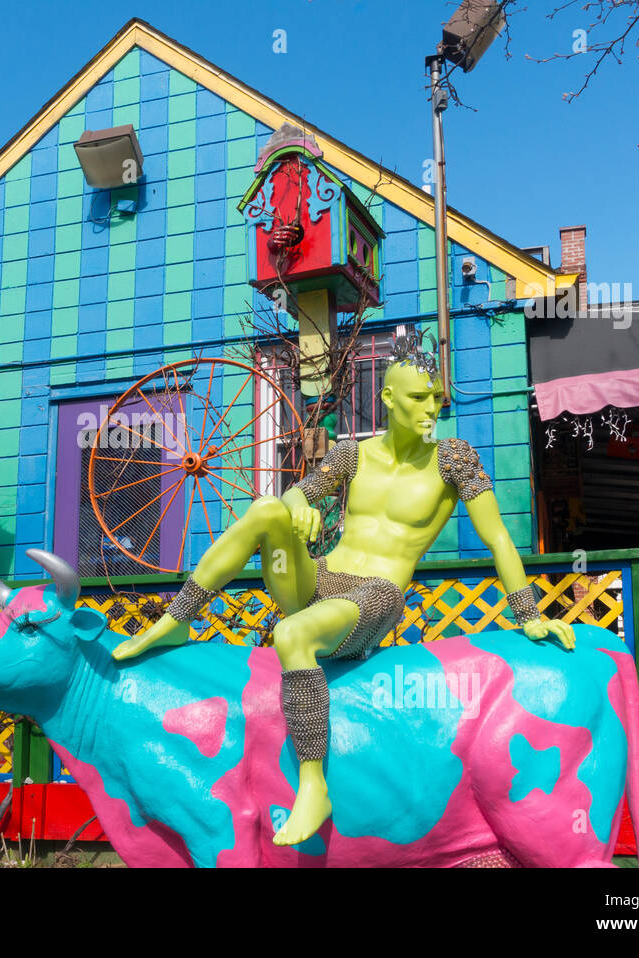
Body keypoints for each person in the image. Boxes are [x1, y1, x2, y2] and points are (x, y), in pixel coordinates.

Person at [114, 335, 576, 846]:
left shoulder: (453, 459)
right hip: (318, 579)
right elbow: (294, 493)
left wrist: (529, 614)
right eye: (419, 397)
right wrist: (299, 506)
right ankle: (176, 621)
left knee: (293, 635)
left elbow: (498, 540)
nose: (431, 408)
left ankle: (313, 786)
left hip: (375, 596)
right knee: (268, 509)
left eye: (436, 398)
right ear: (389, 398)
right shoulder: (351, 454)